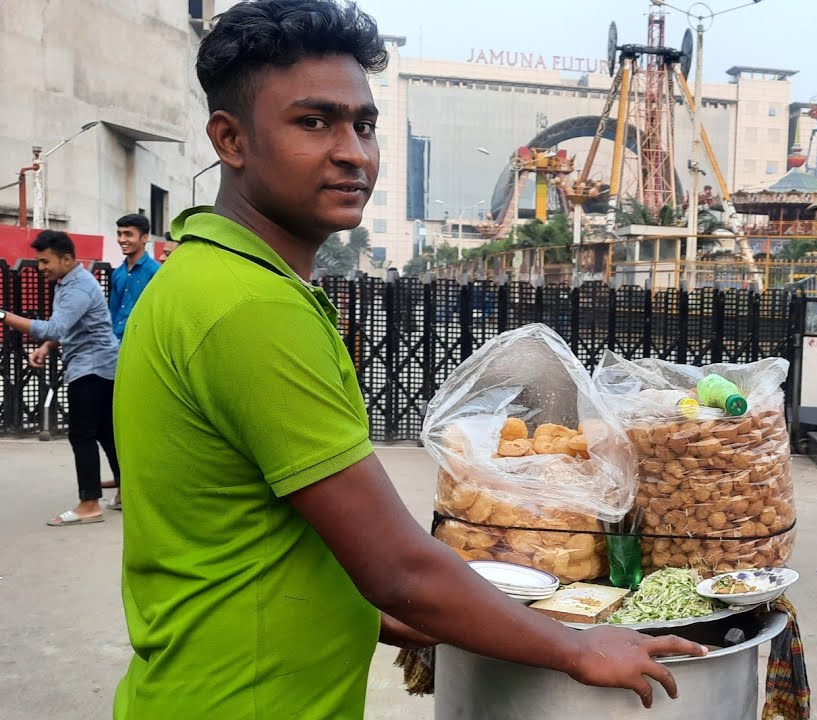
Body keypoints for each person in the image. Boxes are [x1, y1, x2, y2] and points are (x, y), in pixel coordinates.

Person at [110, 2, 702, 718]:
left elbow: (250, 531)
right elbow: (396, 566)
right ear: (230, 139)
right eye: (313, 122)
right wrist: (576, 648)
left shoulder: (205, 276)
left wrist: (371, 612)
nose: (353, 152)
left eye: (363, 125)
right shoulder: (249, 306)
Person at [0, 231, 122, 523]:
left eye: (45, 261)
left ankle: (90, 504)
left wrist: (3, 315)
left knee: (82, 435)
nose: (41, 267)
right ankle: (125, 488)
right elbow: (70, 328)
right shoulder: (68, 282)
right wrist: (46, 347)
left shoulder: (78, 287)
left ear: (67, 259)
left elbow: (54, 327)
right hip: (101, 365)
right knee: (105, 431)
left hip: (91, 368)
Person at [109, 214, 162, 340]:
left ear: (144, 238)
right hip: (115, 344)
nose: (121, 239)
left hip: (141, 343)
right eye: (119, 234)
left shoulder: (156, 272)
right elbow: (112, 311)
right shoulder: (118, 273)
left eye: (128, 234)